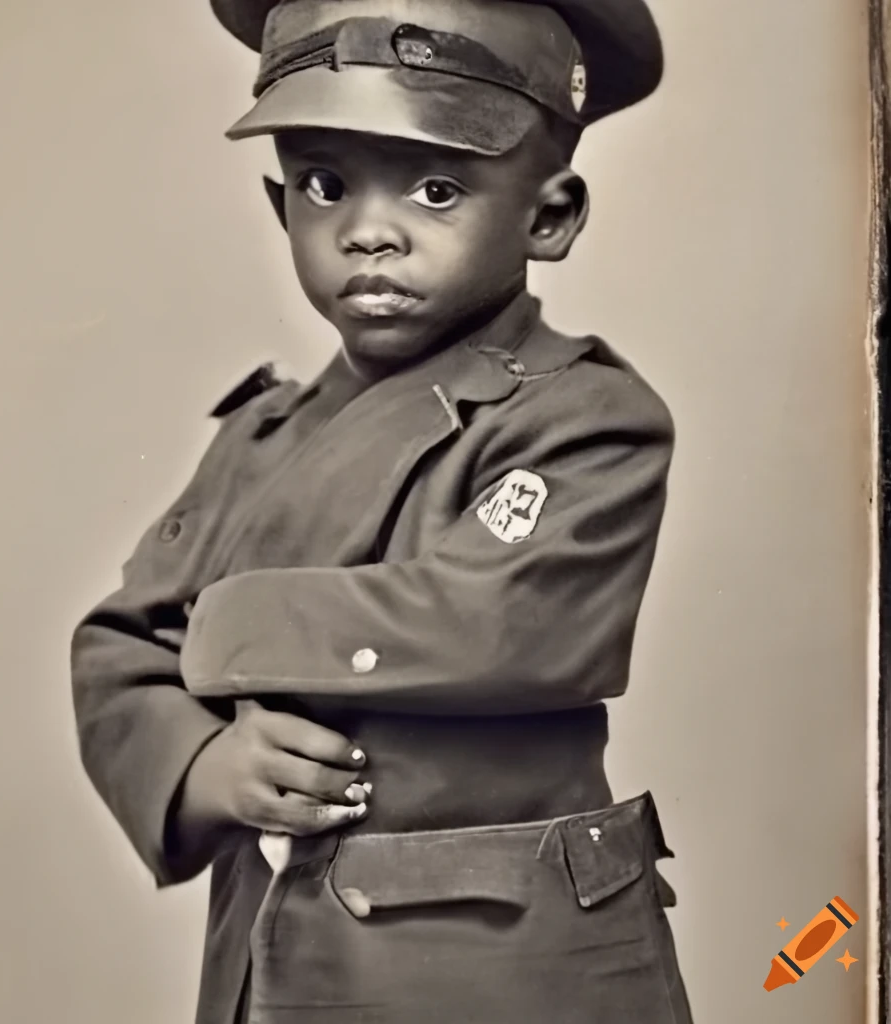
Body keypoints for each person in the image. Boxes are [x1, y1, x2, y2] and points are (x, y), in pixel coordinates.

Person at [70, 0, 694, 1021]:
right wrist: (207, 765)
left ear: (550, 215)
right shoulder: (260, 433)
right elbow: (116, 648)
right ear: (282, 211)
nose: (366, 231)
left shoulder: (587, 417)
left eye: (437, 188)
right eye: (324, 184)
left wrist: (218, 623)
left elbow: (498, 623)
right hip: (271, 967)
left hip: (505, 970)